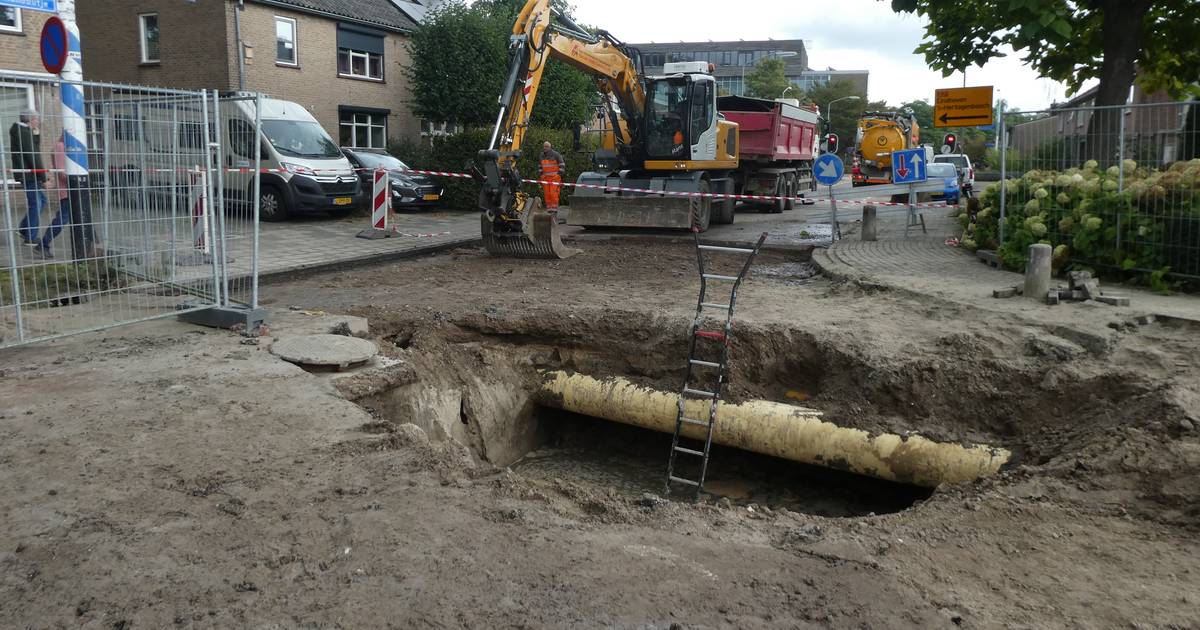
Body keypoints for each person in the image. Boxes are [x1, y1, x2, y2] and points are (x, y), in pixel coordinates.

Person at [9, 108, 47, 247]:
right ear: (31, 119)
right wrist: (43, 177)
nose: (38, 122)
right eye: (37, 119)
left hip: (29, 173)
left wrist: (36, 133)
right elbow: (33, 155)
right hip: (29, 174)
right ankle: (30, 237)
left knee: (42, 201)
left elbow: (35, 147)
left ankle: (24, 229)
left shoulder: (26, 131)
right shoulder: (23, 132)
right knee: (36, 203)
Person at [30, 136, 72, 259]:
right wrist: (76, 178)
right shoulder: (60, 146)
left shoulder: (71, 146)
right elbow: (61, 171)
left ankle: (91, 246)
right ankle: (43, 245)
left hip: (75, 189)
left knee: (84, 216)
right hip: (67, 190)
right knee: (62, 219)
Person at [538, 140, 566, 212]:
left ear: (550, 147)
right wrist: (541, 175)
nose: (545, 148)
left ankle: (554, 209)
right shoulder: (541, 155)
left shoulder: (556, 155)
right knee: (547, 194)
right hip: (545, 179)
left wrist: (558, 175)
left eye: (546, 146)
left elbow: (562, 165)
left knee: (553, 194)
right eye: (544, 146)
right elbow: (540, 167)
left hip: (555, 178)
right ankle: (549, 209)